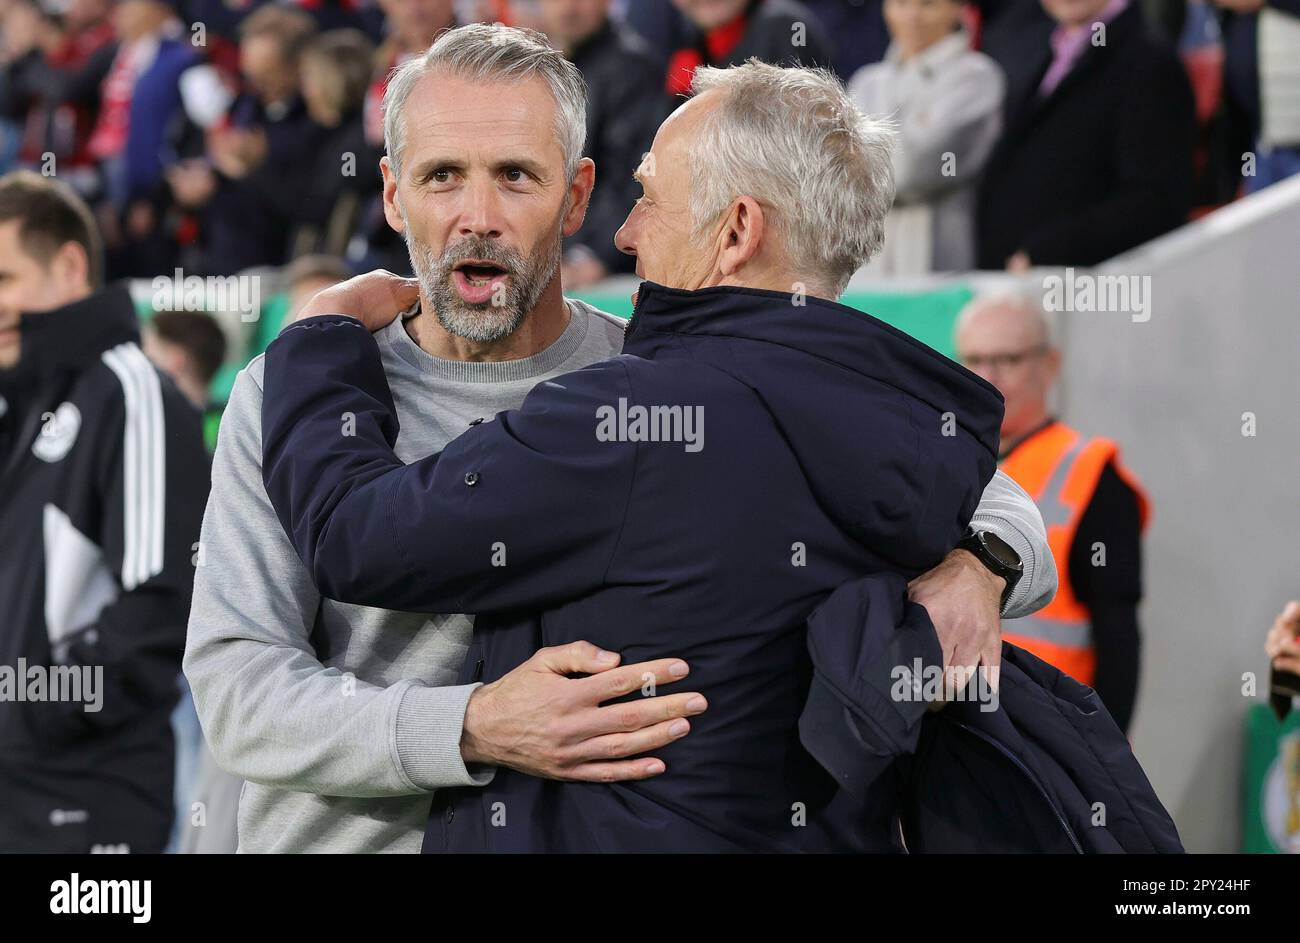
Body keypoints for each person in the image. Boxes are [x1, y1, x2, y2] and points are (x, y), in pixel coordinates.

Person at [185, 24, 1054, 853]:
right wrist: (471, 724)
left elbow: (979, 491)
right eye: (443, 175)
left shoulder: (658, 385)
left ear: (576, 197)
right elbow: (236, 691)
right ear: (391, 192)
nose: (475, 214)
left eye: (516, 176)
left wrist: (983, 565)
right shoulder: (296, 396)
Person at [0, 170, 208, 852]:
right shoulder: (21, 405)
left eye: (4, 280)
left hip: (91, 800)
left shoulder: (133, 391)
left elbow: (158, 609)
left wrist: (27, 712)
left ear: (68, 266)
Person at [955, 293, 1148, 733]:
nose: (987, 375)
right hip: (961, 729)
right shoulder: (950, 461)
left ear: (1050, 365)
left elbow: (1118, 633)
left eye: (1007, 358)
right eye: (974, 358)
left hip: (1052, 730)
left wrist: (1106, 754)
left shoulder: (1091, 473)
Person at [975, 0, 1196, 270]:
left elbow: (1155, 199)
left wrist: (1046, 252)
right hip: (1022, 284)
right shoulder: (1050, 50)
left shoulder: (1148, 61)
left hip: (1088, 292)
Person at [847, 0, 1004, 273]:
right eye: (901, 3)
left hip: (936, 257)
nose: (912, 16)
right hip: (863, 263)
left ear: (958, 9)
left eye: (928, 4)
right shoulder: (866, 81)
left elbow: (911, 167)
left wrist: (859, 154)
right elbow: (832, 172)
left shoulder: (976, 77)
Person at [539, 0, 670, 287]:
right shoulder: (548, 71)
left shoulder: (635, 68)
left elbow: (633, 173)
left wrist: (595, 255)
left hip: (611, 269)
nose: (568, 8)